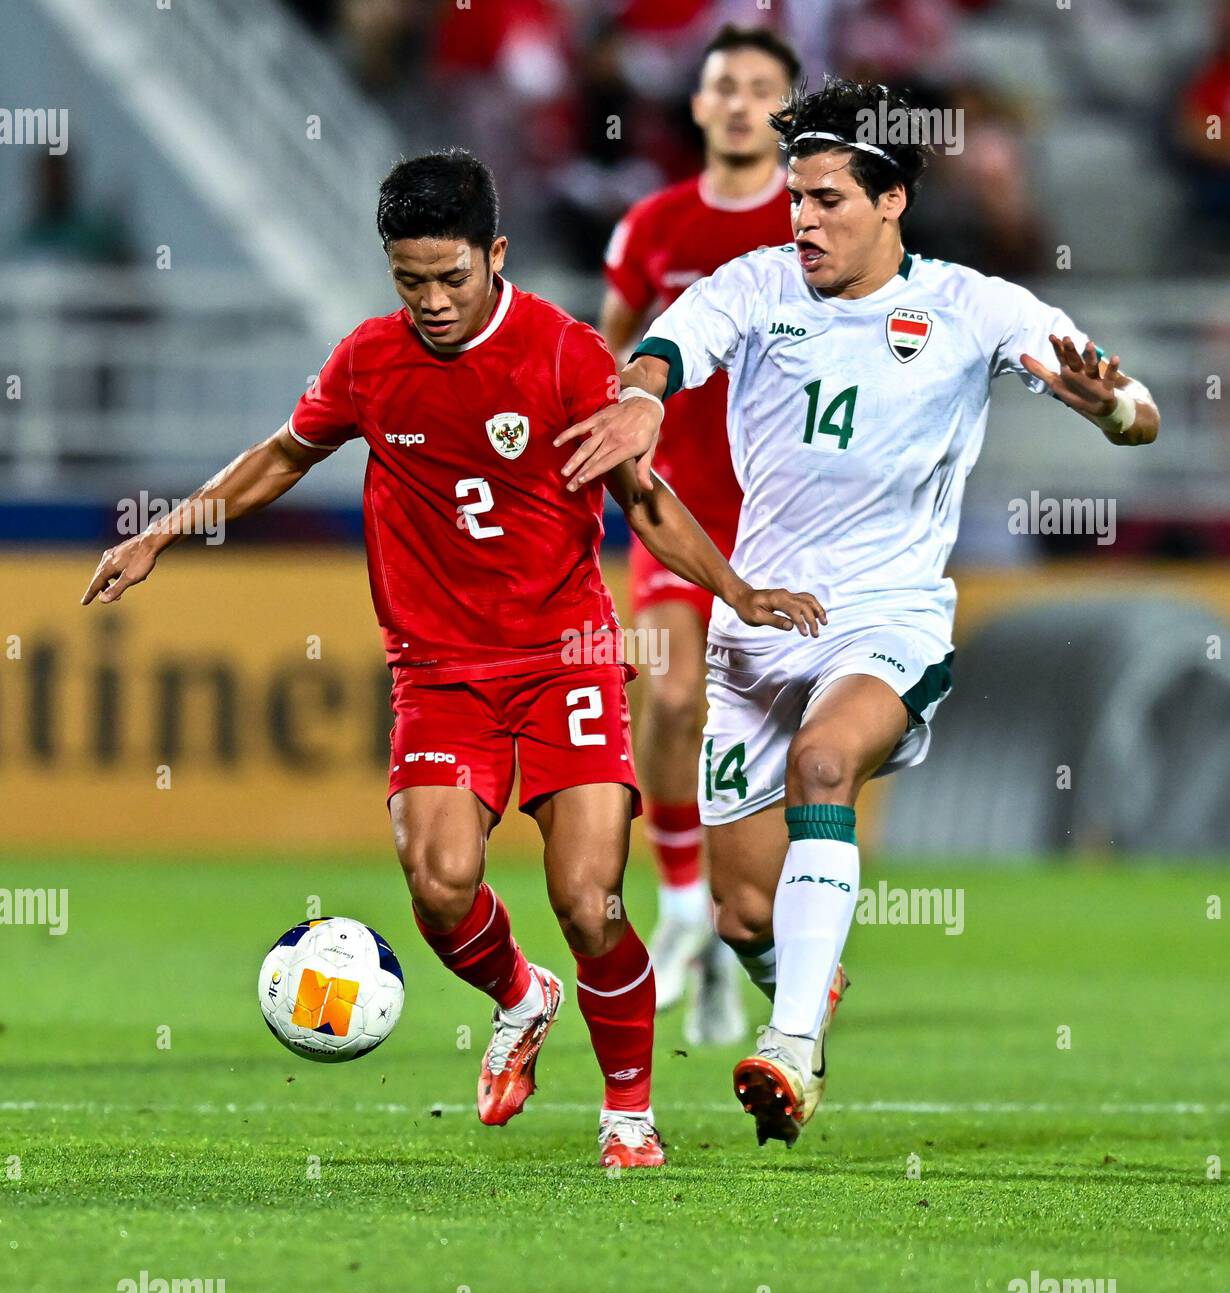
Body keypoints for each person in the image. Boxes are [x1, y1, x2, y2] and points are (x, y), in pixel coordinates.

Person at [81, 150, 822, 1167]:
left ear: (495, 255)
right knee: (437, 882)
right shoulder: (367, 361)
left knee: (589, 897)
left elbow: (645, 502)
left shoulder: (563, 357)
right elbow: (281, 458)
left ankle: (628, 1115)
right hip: (438, 670)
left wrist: (734, 591)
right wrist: (164, 530)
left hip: (566, 658)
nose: (430, 301)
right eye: (409, 280)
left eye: (450, 277)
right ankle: (521, 996)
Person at [556, 77, 1159, 1147]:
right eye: (796, 198)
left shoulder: (975, 307)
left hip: (889, 615)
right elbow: (661, 348)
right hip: (759, 624)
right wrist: (642, 393)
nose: (803, 221)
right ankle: (804, 978)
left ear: (892, 202)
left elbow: (1138, 414)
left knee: (825, 765)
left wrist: (1112, 404)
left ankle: (790, 1048)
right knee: (748, 911)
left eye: (828, 199)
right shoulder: (754, 287)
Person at [601, 24, 850, 1045]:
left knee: (778, 748)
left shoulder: (817, 240)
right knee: (666, 695)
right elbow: (611, 355)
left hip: (790, 531)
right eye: (724, 86)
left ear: (787, 111)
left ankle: (742, 936)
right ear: (698, 106)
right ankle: (679, 911)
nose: (742, 102)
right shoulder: (653, 225)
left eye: (761, 87)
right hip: (677, 513)